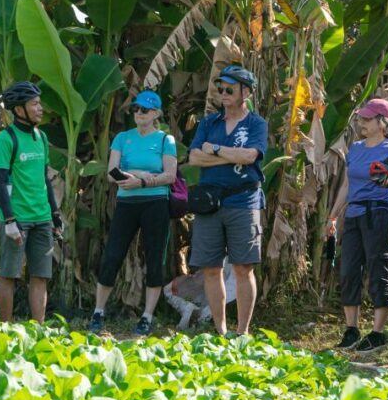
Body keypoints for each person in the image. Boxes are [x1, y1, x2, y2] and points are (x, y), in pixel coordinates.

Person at [188, 65, 268, 335]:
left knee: (243, 267)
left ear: (246, 92)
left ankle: (242, 332)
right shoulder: (209, 122)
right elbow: (194, 157)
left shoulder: (256, 124)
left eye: (229, 89)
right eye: (220, 88)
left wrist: (215, 149)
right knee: (211, 268)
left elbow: (250, 156)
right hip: (209, 202)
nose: (223, 92)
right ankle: (221, 331)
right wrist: (231, 155)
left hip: (244, 201)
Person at [90, 90, 177, 336]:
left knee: (154, 259)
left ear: (156, 114)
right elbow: (112, 172)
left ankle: (147, 316)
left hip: (155, 203)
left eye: (145, 110)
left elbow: (170, 175)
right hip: (127, 202)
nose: (139, 113)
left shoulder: (165, 140)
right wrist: (139, 174)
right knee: (112, 255)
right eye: (136, 109)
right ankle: (98, 311)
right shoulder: (123, 137)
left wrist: (143, 182)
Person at [332, 99, 388, 353]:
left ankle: (378, 332)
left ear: (383, 123)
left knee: (378, 269)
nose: (361, 122)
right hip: (354, 214)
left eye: (367, 118)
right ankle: (351, 330)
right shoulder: (356, 148)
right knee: (349, 271)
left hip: (379, 214)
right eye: (361, 118)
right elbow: (347, 185)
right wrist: (333, 215)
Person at [0, 81, 63, 324]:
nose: (40, 108)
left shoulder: (41, 137)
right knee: (9, 274)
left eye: (39, 103)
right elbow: (0, 181)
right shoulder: (6, 139)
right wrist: (9, 220)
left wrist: (55, 214)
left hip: (42, 217)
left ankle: (37, 328)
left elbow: (45, 178)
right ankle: (5, 327)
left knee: (41, 275)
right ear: (19, 109)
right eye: (34, 104)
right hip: (18, 218)